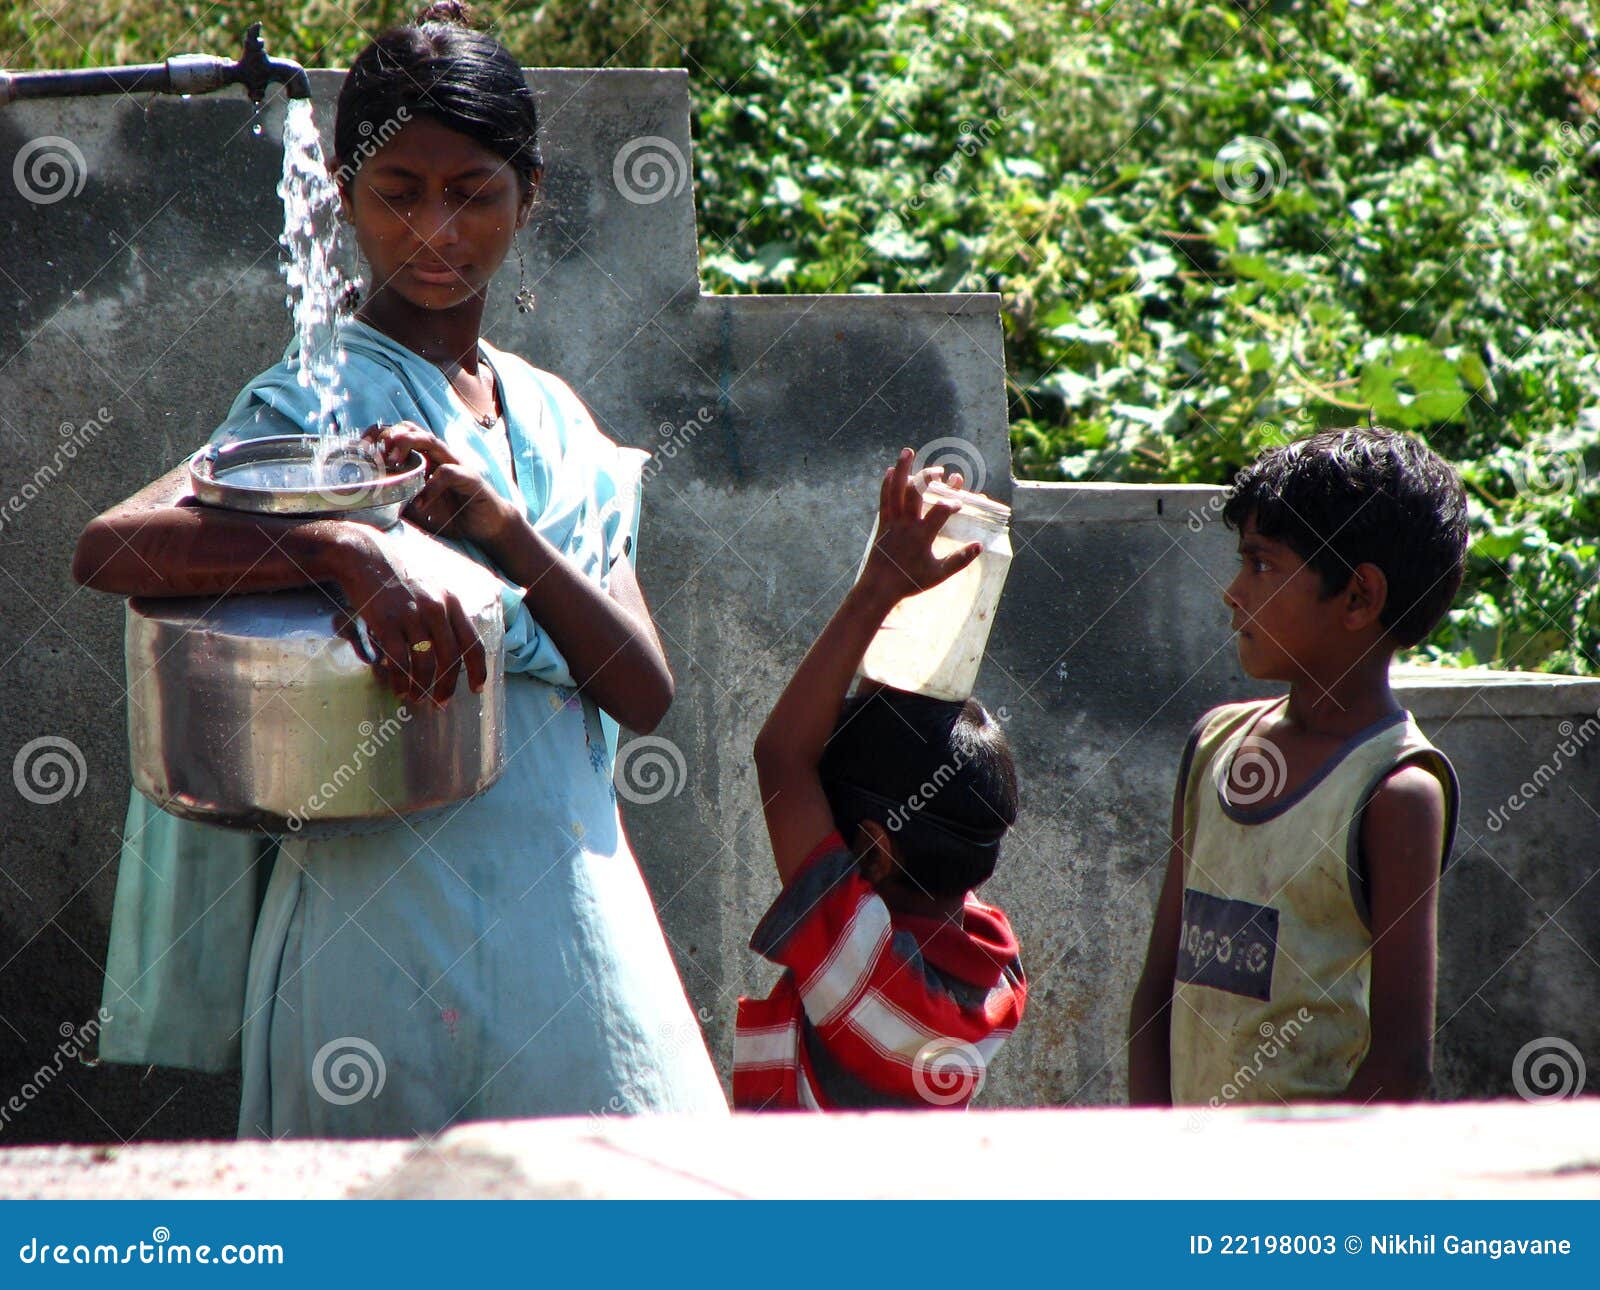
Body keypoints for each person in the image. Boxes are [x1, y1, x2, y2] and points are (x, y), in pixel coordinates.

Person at [71, 1, 726, 1137]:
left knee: (620, 1202)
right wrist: (343, 547)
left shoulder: (557, 421)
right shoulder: (320, 399)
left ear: (529, 193)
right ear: (340, 194)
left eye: (473, 193)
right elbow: (112, 547)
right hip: (379, 919)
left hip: (572, 915)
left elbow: (641, 688)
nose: (436, 230)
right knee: (380, 1208)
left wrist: (504, 529)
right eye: (398, 192)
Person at [1128, 426, 1470, 1108]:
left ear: (1358, 597)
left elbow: (1401, 1066)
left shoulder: (1396, 791)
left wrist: (1306, 1173)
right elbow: (1157, 992)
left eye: (1261, 565)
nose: (1232, 592)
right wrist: (1159, 1151)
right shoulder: (1216, 744)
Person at [734, 450, 1026, 1111]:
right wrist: (908, 588)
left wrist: (878, 589)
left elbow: (782, 760)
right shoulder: (990, 963)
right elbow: (903, 747)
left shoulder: (866, 975)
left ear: (871, 850)